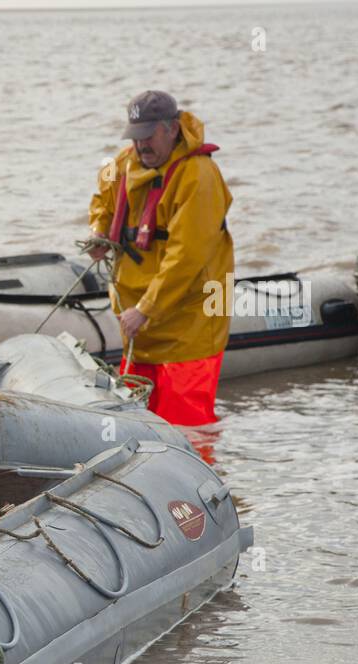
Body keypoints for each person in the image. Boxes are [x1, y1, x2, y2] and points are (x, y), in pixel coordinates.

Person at [87, 90, 234, 428]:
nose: (141, 146)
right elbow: (103, 204)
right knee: (140, 420)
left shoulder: (198, 175)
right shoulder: (121, 164)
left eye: (149, 136)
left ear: (171, 129)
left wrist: (146, 309)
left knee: (188, 426)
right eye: (136, 137)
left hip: (188, 323)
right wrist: (99, 234)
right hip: (138, 321)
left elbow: (187, 256)